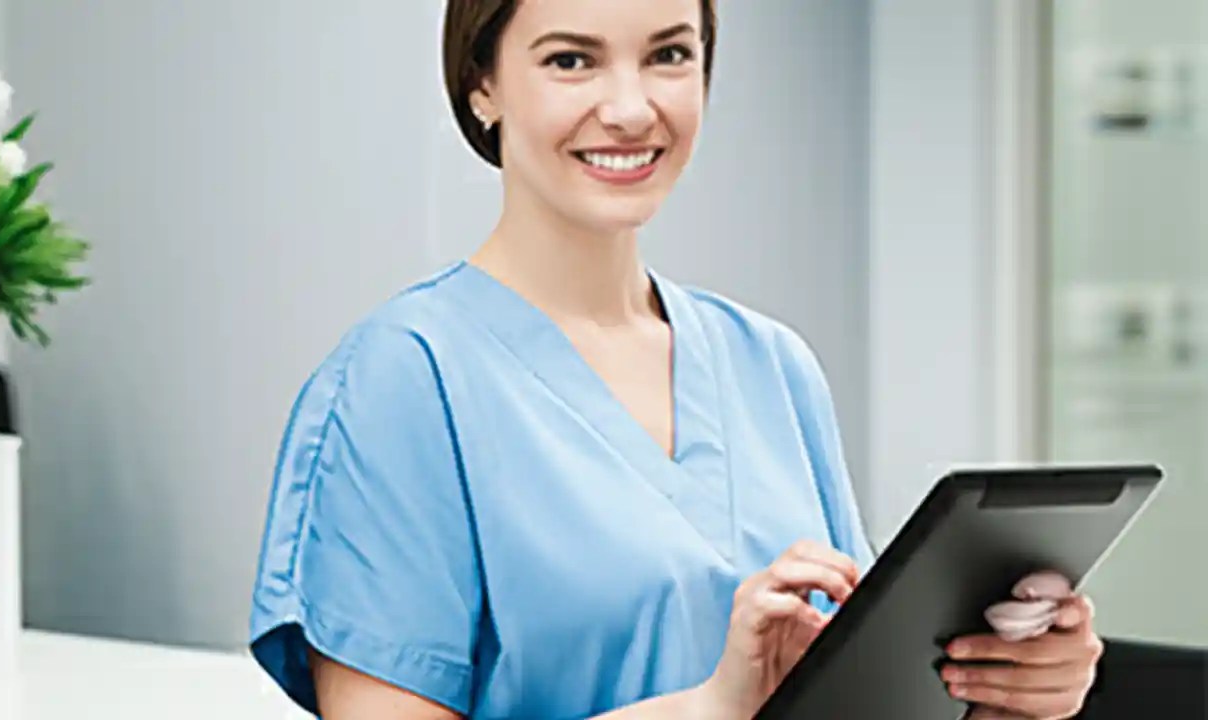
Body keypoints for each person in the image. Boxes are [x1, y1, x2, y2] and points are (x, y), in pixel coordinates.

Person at [248, 1, 1104, 718]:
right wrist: (707, 707)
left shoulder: (770, 364)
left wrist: (997, 698)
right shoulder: (404, 382)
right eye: (573, 61)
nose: (630, 108)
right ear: (482, 83)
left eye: (668, 55)